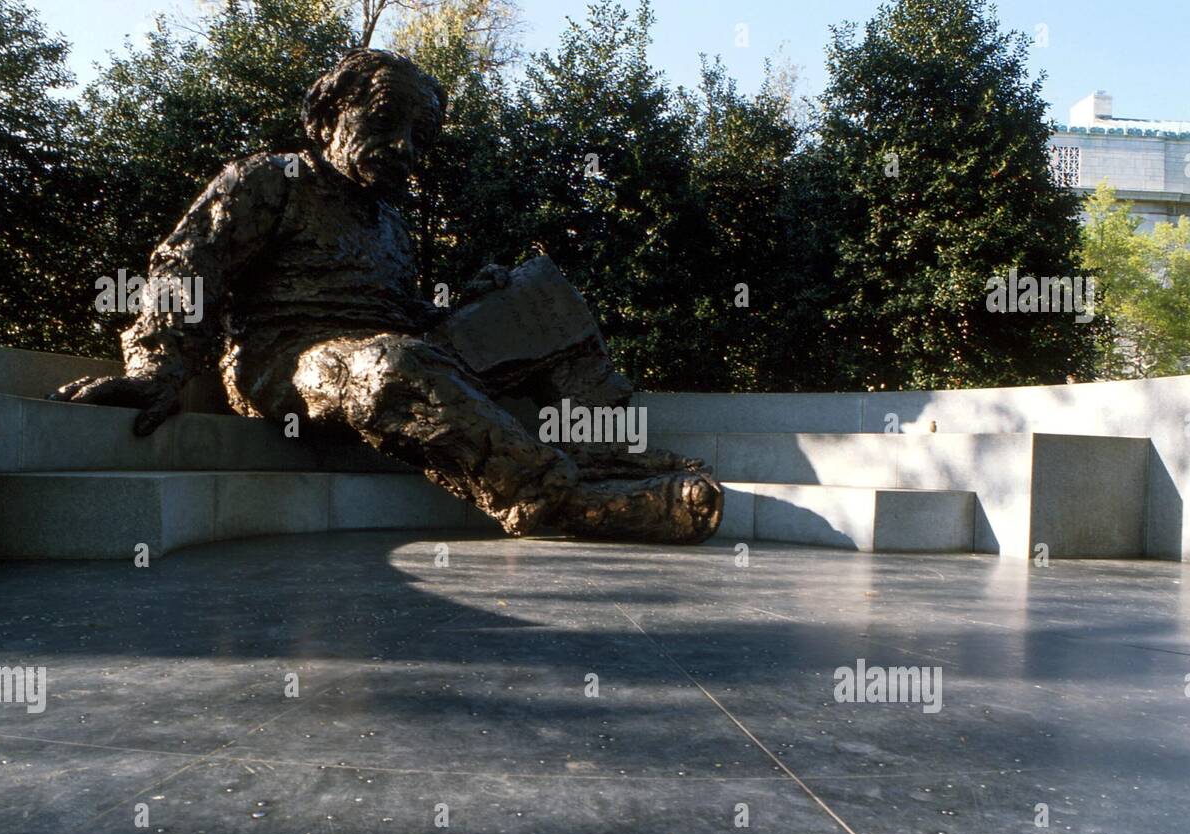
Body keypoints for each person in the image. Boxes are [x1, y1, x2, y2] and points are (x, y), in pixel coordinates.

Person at [52, 50, 721, 543]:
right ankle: (558, 499)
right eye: (383, 124)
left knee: (534, 296)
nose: (402, 149)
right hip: (286, 361)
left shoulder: (390, 219)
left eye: (417, 138)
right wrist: (156, 368)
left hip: (389, 348)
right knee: (389, 365)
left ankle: (602, 445)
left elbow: (399, 316)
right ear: (329, 116)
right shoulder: (271, 180)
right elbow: (186, 259)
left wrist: (468, 309)